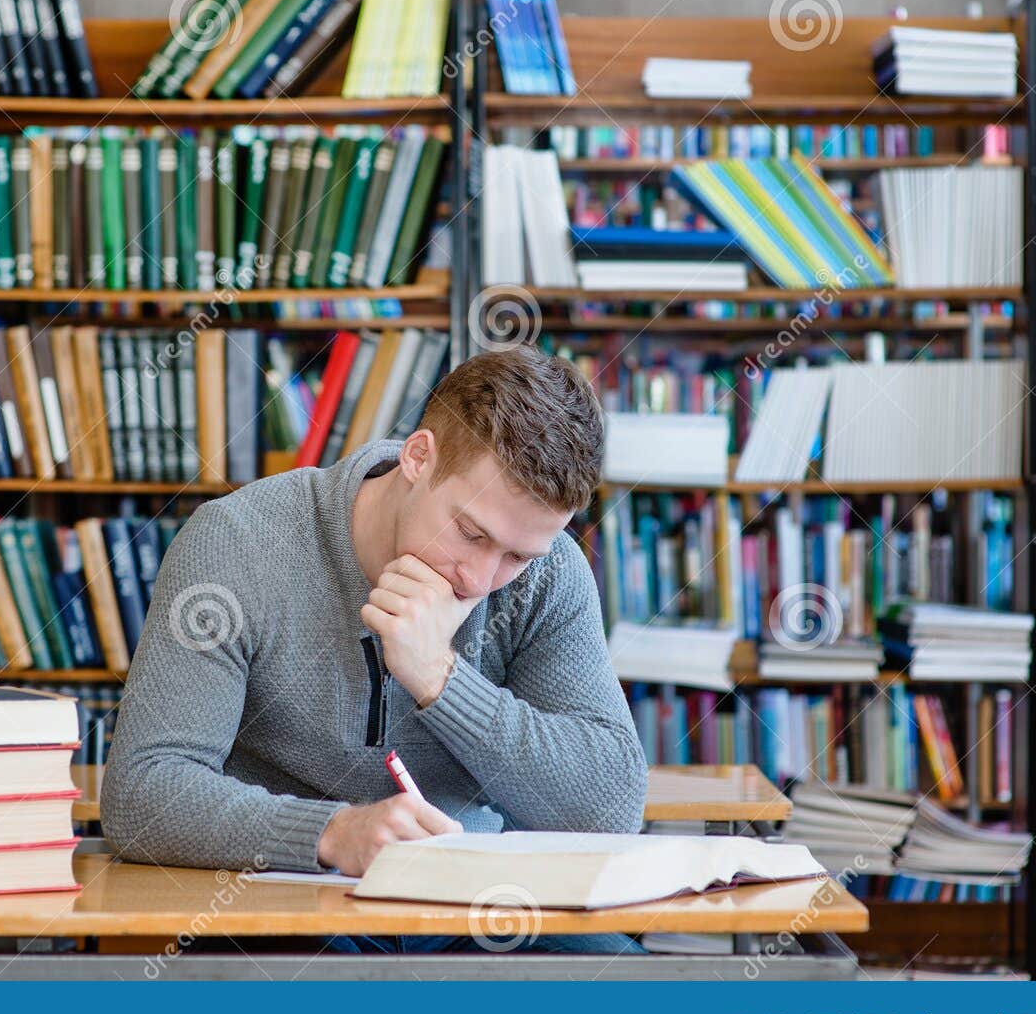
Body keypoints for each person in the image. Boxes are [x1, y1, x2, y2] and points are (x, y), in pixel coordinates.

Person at [102, 346, 648, 896]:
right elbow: (142, 793)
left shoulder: (549, 574)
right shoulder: (238, 541)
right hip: (287, 897)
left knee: (628, 976)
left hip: (471, 898)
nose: (479, 581)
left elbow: (611, 806)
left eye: (517, 556)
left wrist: (442, 679)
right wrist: (334, 833)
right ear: (418, 457)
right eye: (471, 534)